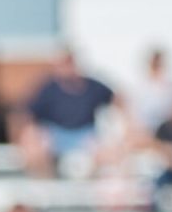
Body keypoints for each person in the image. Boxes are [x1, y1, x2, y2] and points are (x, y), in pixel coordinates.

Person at [14, 49, 119, 178]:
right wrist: (27, 136)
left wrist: (127, 126)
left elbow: (117, 99)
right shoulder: (47, 89)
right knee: (35, 152)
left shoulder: (92, 86)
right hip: (55, 134)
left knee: (109, 153)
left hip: (85, 134)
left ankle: (95, 189)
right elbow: (25, 114)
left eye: (69, 63)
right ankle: (45, 188)